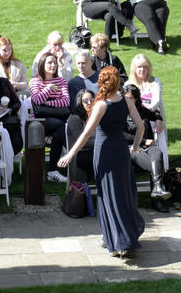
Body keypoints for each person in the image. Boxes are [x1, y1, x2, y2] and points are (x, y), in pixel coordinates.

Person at [59, 65, 145, 257]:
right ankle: (117, 238)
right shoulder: (126, 102)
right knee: (122, 194)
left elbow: (86, 133)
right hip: (121, 153)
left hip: (105, 154)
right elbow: (140, 127)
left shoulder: (101, 105)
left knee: (107, 196)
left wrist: (70, 154)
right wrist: (136, 147)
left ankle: (116, 241)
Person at [123, 82, 169, 205]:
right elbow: (122, 135)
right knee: (156, 165)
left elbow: (155, 113)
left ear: (136, 99)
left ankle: (157, 189)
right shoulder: (120, 113)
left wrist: (159, 120)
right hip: (132, 148)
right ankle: (158, 197)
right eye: (125, 97)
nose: (127, 100)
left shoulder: (141, 110)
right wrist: (143, 141)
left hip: (147, 147)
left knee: (157, 152)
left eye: (130, 98)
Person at [30, 52, 70, 183]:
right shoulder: (35, 81)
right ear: (42, 64)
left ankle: (53, 171)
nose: (53, 65)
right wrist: (48, 88)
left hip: (58, 120)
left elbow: (66, 102)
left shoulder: (61, 81)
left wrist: (48, 103)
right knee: (60, 126)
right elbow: (37, 99)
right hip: (40, 122)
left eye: (54, 62)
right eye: (49, 62)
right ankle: (74, 156)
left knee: (58, 132)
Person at [65, 88, 96, 184]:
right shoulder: (75, 119)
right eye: (85, 101)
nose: (89, 103)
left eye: (92, 100)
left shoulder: (95, 116)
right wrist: (103, 141)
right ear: (80, 102)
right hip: (80, 157)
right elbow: (83, 144)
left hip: (93, 154)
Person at [66, 47, 100, 115]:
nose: (80, 66)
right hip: (82, 117)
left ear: (91, 62)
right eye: (78, 63)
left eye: (83, 63)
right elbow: (73, 107)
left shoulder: (101, 77)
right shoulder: (73, 83)